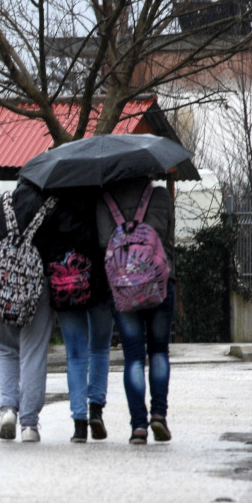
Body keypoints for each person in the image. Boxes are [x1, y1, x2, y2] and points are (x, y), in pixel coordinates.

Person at [96, 177, 177, 445]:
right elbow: (166, 238)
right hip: (159, 287)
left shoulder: (105, 201)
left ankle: (138, 426)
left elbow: (103, 243)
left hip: (123, 290)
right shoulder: (162, 196)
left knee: (133, 357)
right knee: (158, 351)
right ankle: (158, 415)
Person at [41, 188, 114, 443]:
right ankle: (96, 410)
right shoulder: (102, 203)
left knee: (75, 354)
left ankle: (79, 424)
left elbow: (43, 248)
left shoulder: (53, 208)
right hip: (99, 284)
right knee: (100, 349)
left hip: (65, 287)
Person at [0, 180, 58, 443]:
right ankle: (29, 425)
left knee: (6, 347)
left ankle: (8, 409)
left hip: (3, 282)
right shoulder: (51, 206)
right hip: (36, 285)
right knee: (33, 351)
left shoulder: (5, 202)